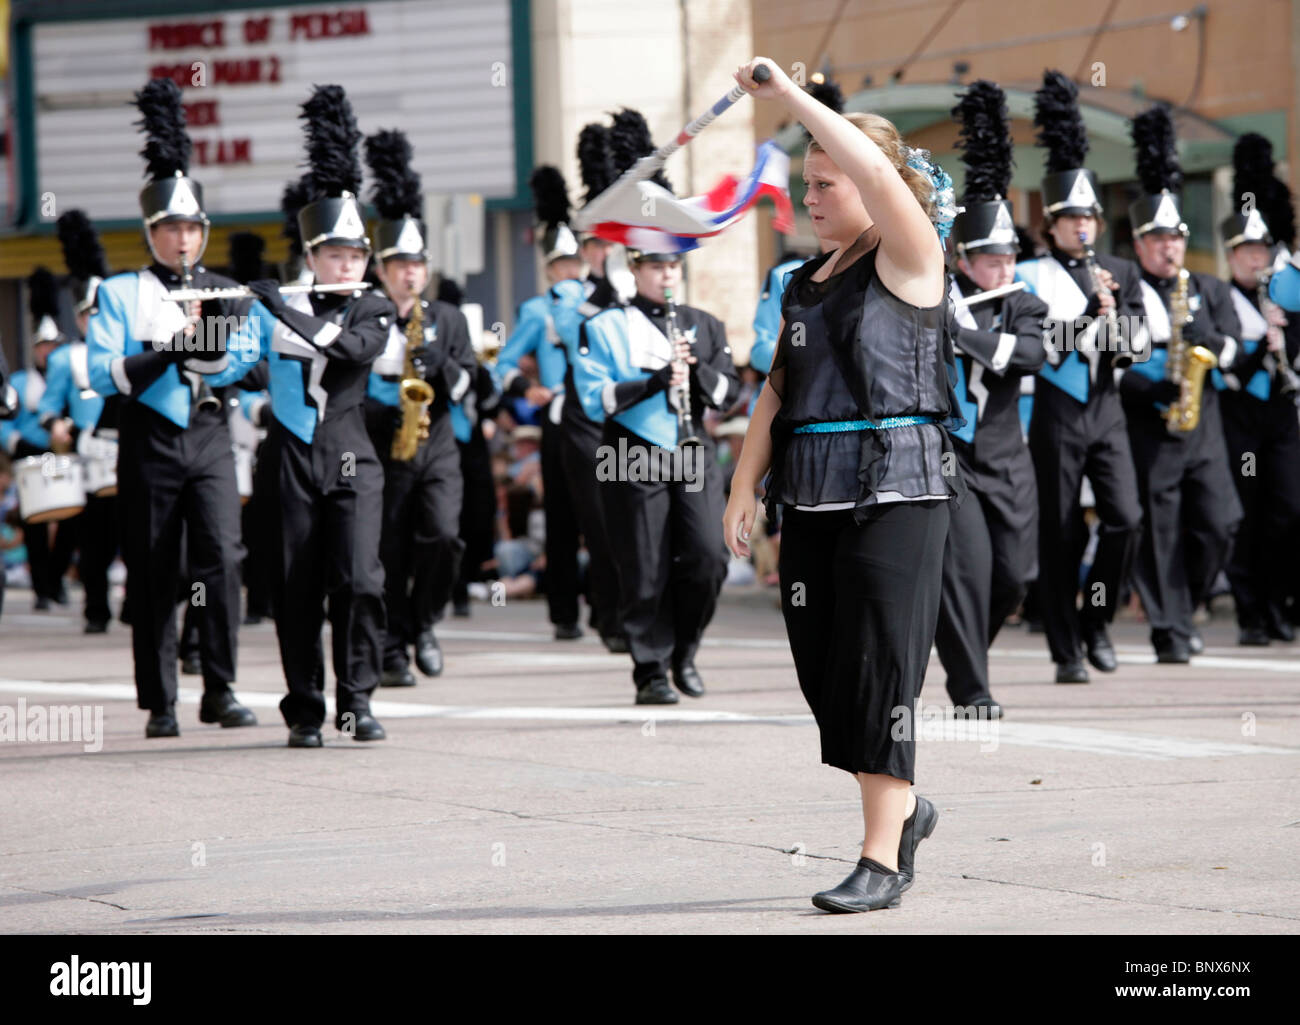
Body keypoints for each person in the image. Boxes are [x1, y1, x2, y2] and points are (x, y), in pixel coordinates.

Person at [723, 56, 961, 913]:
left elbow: (864, 163)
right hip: (813, 494)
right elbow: (779, 388)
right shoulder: (798, 281)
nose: (811, 196)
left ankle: (880, 855)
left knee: (877, 672)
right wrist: (745, 483)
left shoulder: (910, 253)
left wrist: (789, 100)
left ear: (872, 183)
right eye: (805, 183)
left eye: (824, 181)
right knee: (826, 676)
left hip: (899, 490)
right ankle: (908, 808)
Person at [86, 77, 257, 737]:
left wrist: (214, 338)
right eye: (170, 228)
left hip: (210, 433)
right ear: (151, 232)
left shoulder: (227, 289)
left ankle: (220, 685)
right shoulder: (120, 291)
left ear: (204, 230)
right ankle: (160, 699)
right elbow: (105, 374)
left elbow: (243, 361)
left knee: (222, 555)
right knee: (155, 563)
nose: (182, 238)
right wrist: (170, 347)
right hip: (150, 436)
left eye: (191, 226)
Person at [235, 84, 396, 746]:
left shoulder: (372, 306)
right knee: (296, 586)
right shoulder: (278, 306)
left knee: (359, 579)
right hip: (288, 455)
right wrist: (207, 329)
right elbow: (240, 371)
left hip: (351, 454)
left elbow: (351, 348)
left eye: (355, 255)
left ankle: (356, 701)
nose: (346, 263)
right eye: (334, 254)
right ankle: (304, 708)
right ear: (311, 256)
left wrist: (281, 310)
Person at [1015, 70, 1145, 684]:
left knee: (1125, 518)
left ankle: (1097, 620)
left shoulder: (1119, 268)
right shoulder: (1032, 274)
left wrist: (1115, 318)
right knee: (1061, 530)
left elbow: (1141, 342)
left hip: (1106, 408)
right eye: (1071, 219)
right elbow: (1037, 342)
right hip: (1057, 411)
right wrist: (1091, 321)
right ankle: (1066, 649)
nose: (1084, 227)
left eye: (1090, 217)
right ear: (1053, 223)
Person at [935, 81, 1048, 719]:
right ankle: (972, 689)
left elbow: (1027, 356)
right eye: (988, 257)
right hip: (955, 455)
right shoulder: (940, 292)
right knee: (968, 571)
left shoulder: (1025, 305)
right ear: (965, 258)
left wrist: (966, 333)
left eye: (1008, 255)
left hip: (1008, 455)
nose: (1002, 267)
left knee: (1012, 577)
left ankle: (963, 651)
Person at [1120, 103, 1243, 663]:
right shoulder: (1125, 288)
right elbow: (1117, 357)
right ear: (1140, 243)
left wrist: (1205, 340)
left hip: (1205, 425)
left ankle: (1188, 601)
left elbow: (1236, 345)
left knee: (1221, 523)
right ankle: (1169, 630)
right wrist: (1150, 390)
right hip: (1151, 423)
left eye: (1176, 236)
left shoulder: (1209, 288)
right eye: (1157, 238)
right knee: (1159, 529)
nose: (1169, 246)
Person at [363, 129, 476, 685]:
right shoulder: (365, 315)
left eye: (417, 263)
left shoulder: (449, 318)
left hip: (438, 443)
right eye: (399, 263)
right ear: (381, 268)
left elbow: (472, 383)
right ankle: (391, 646)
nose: (410, 272)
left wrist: (441, 366)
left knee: (442, 537)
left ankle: (424, 623)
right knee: (388, 549)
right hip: (380, 440)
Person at [1212, 135, 1300, 645]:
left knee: (1286, 508)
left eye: (1262, 248)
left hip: (1281, 413)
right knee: (1246, 512)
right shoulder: (1220, 299)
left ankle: (1277, 604)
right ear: (1230, 255)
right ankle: (1250, 614)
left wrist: (1285, 330)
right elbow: (1230, 370)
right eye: (1247, 250)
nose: (1256, 257)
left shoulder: (1282, 296)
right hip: (1240, 413)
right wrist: (1260, 346)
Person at [495, 165, 589, 642]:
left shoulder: (602, 301)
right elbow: (503, 362)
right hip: (557, 417)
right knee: (561, 516)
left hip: (600, 414)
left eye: (576, 265)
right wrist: (525, 388)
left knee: (605, 513)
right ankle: (564, 614)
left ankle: (613, 613)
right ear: (550, 267)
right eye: (562, 266)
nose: (570, 273)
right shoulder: (537, 309)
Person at [39, 211, 117, 633]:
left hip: (134, 449)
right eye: (90, 315)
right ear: (81, 318)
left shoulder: (131, 353)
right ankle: (96, 610)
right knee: (94, 540)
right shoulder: (67, 357)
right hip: (90, 455)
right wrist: (57, 424)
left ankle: (137, 604)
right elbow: (50, 404)